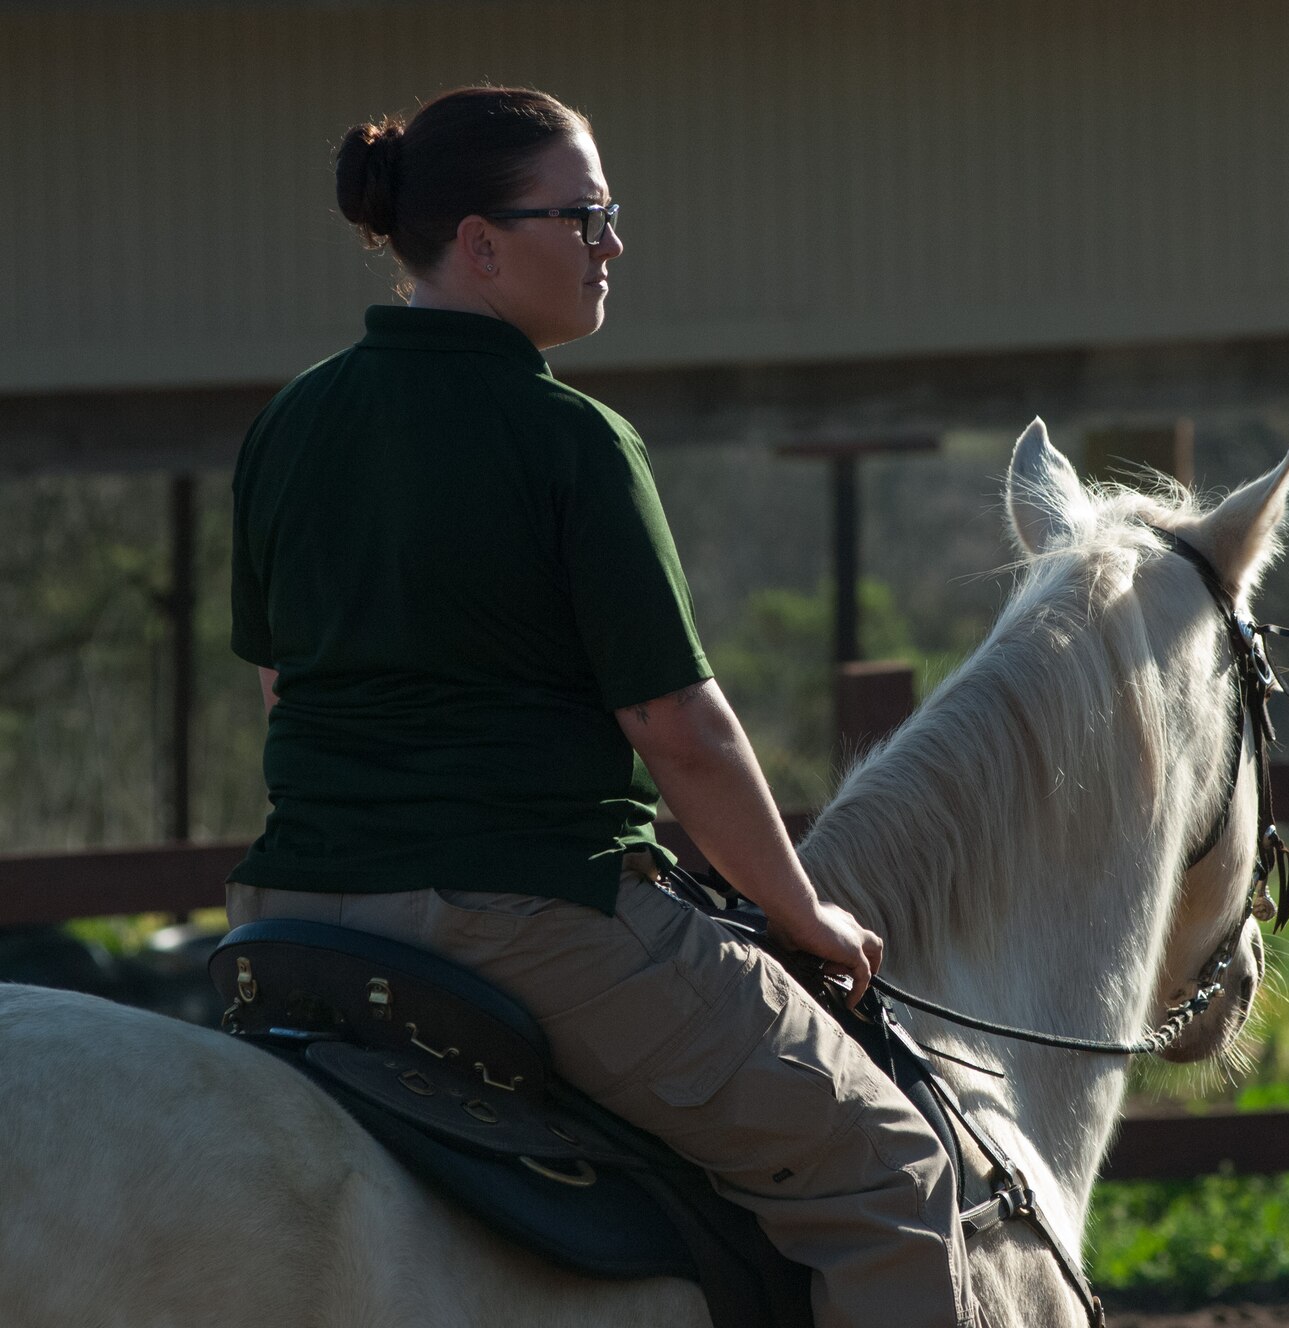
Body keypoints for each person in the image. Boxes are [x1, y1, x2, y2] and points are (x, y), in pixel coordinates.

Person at [225, 84, 976, 1328]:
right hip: (528, 910)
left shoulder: (288, 422)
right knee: (890, 1169)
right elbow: (678, 727)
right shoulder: (567, 436)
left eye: (607, 215)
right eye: (581, 217)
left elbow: (279, 686)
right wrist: (808, 917)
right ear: (479, 242)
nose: (609, 245)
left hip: (294, 911)